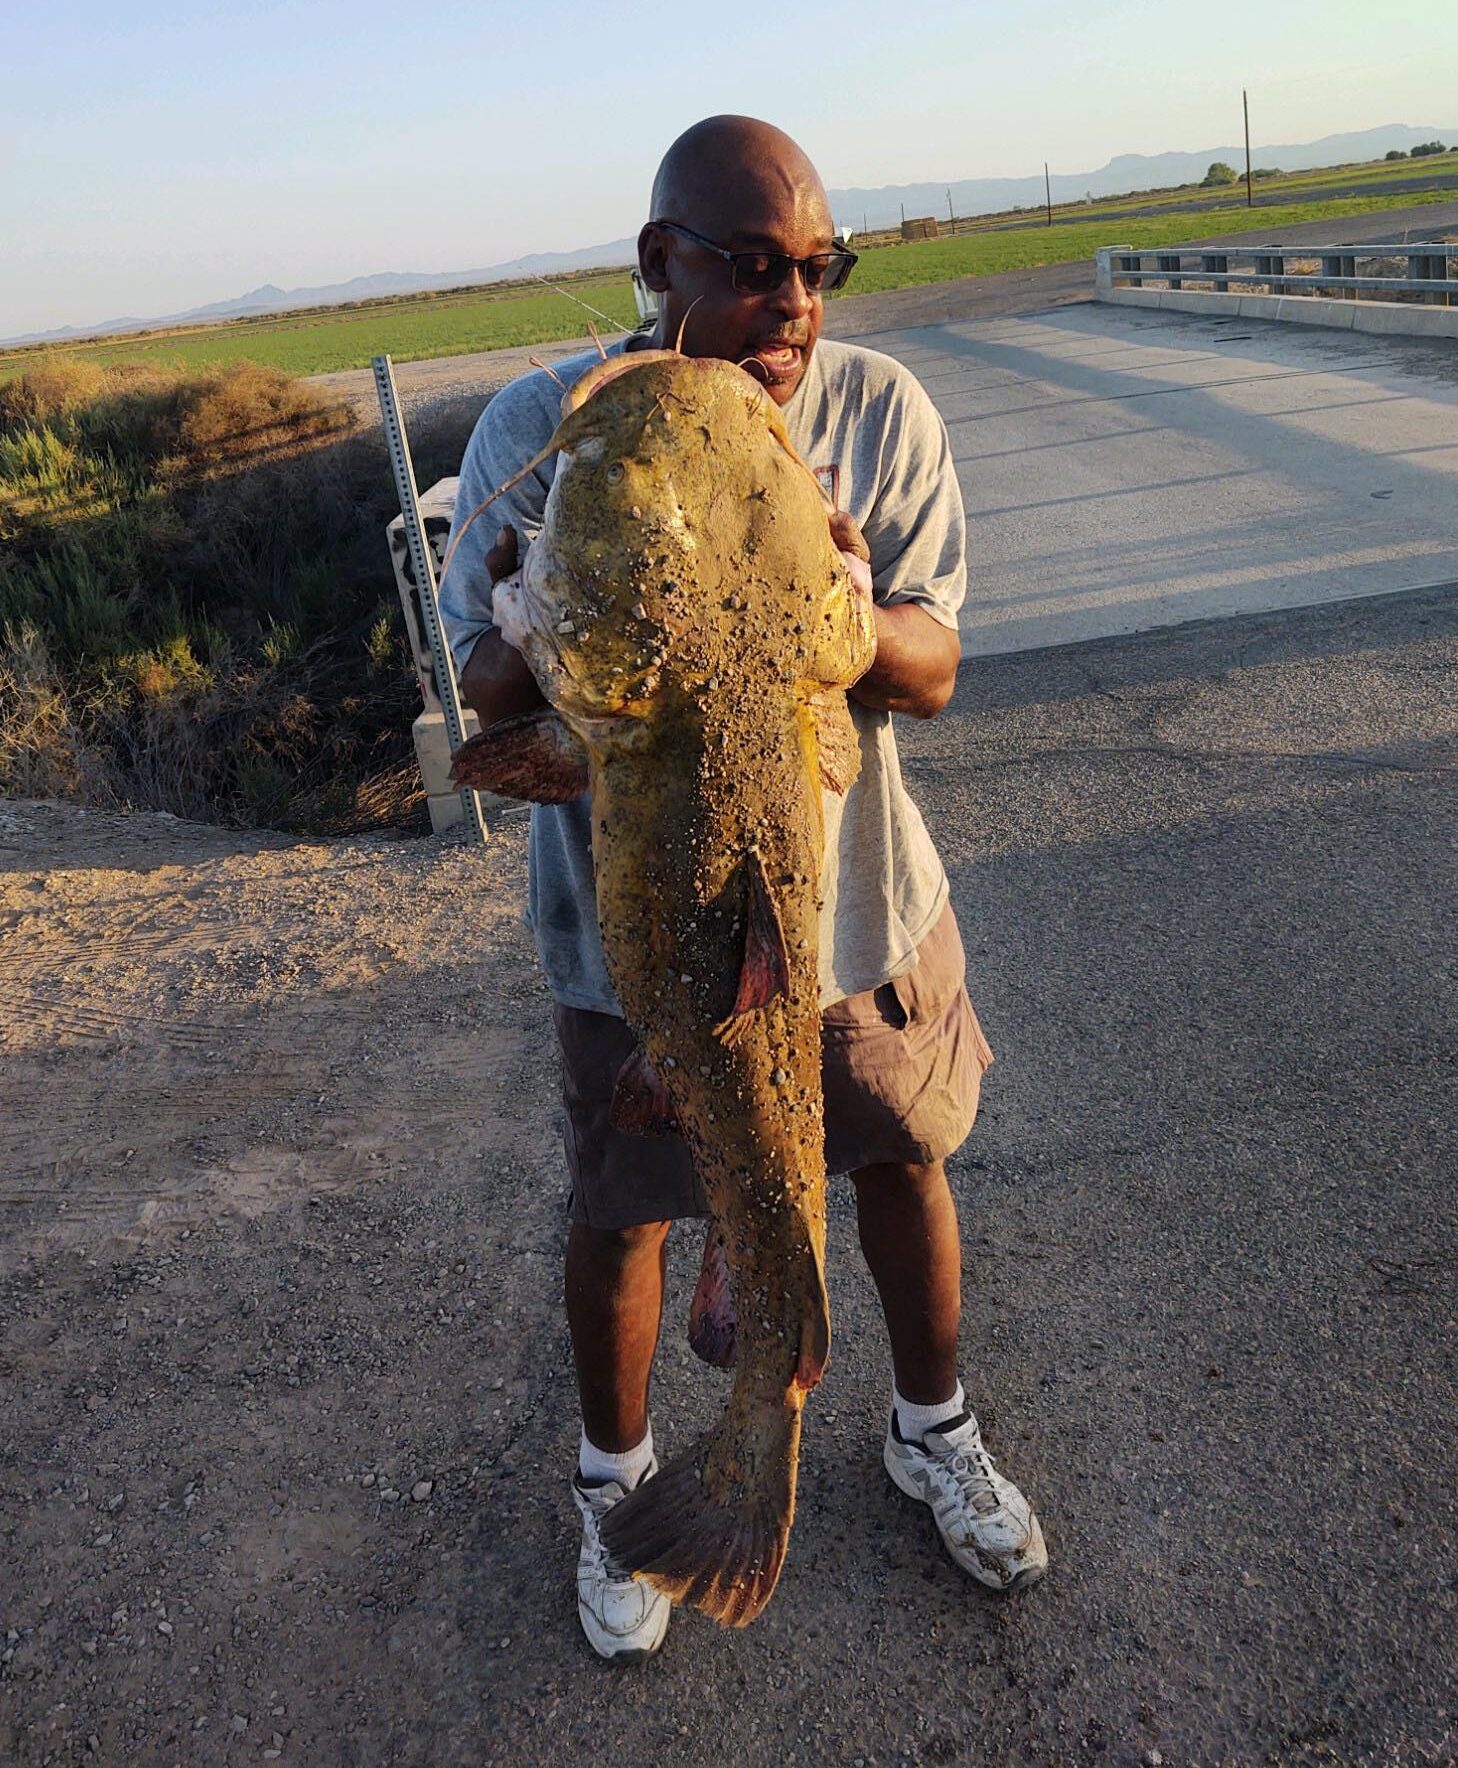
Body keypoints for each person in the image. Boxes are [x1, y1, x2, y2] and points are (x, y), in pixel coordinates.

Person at [439, 114, 1047, 1662]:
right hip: (629, 947)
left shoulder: (877, 408)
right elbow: (478, 703)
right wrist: (532, 626)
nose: (795, 303)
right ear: (659, 263)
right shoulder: (539, 426)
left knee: (901, 1160)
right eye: (755, 266)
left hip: (857, 915)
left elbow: (934, 661)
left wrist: (850, 611)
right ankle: (616, 1488)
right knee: (625, 1211)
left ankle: (931, 1431)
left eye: (820, 268)